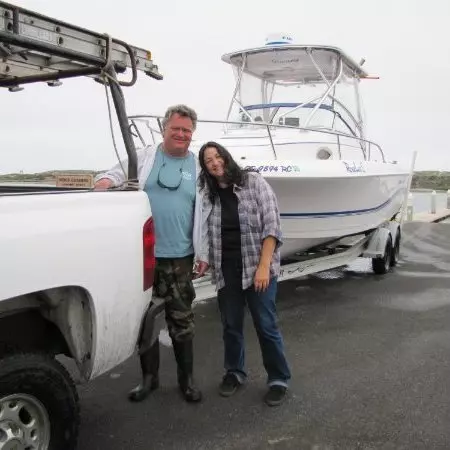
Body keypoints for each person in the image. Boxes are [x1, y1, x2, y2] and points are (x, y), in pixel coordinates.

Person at [94, 105, 209, 403]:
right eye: (176, 129)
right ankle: (149, 379)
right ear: (164, 129)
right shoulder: (145, 157)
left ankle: (187, 380)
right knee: (145, 320)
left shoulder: (198, 167)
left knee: (182, 321)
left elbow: (206, 213)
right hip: (143, 258)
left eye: (187, 131)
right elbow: (112, 174)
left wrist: (205, 253)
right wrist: (105, 182)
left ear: (192, 134)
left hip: (181, 258)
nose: (181, 135)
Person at [198, 141, 291, 407]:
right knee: (231, 325)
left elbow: (272, 225)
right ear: (205, 167)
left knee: (265, 325)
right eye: (208, 160)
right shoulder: (209, 194)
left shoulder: (253, 182)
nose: (215, 163)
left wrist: (263, 266)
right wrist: (202, 259)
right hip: (227, 269)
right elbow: (203, 231)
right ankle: (234, 373)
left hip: (257, 266)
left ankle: (278, 378)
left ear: (226, 157)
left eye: (218, 157)